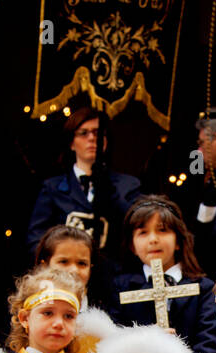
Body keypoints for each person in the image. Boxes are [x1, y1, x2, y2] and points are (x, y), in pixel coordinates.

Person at [109, 195, 216, 353]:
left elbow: (209, 347)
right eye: (143, 233)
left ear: (178, 241)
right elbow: (112, 341)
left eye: (162, 230)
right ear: (132, 246)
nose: (153, 239)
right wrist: (146, 340)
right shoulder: (121, 288)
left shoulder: (203, 289)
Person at [25, 107, 140, 258]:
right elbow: (36, 239)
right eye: (83, 133)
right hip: (64, 275)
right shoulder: (52, 187)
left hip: (112, 277)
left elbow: (139, 230)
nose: (92, 138)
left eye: (97, 133)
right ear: (71, 143)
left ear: (105, 141)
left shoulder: (127, 185)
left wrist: (110, 193)